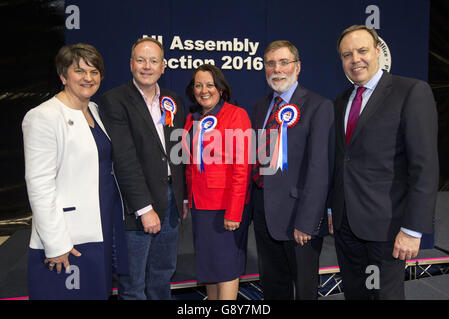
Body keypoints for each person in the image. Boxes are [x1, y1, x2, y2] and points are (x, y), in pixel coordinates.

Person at [330, 25, 439, 300]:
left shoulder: (411, 92)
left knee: (382, 296)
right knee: (357, 294)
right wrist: (333, 209)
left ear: (378, 51)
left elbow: (424, 167)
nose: (355, 59)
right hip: (347, 228)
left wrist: (413, 229)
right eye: (347, 54)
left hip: (386, 230)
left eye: (362, 50)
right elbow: (342, 161)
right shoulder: (341, 101)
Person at [22, 43, 129, 300]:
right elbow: (39, 184)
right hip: (68, 236)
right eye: (79, 71)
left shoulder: (93, 110)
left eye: (94, 72)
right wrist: (56, 243)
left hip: (102, 225)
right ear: (63, 75)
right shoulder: (44, 116)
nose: (88, 78)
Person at [98, 37, 187, 300]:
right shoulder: (114, 101)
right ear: (130, 64)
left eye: (153, 61)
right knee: (133, 284)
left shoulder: (174, 101)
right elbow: (123, 159)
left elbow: (176, 151)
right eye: (141, 60)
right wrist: (144, 208)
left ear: (163, 66)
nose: (146, 66)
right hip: (135, 206)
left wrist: (181, 194)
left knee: (162, 275)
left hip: (171, 201)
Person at [251, 40, 334, 300]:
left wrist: (308, 222)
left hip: (299, 218)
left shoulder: (319, 106)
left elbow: (320, 169)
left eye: (284, 62)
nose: (277, 69)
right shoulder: (260, 107)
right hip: (264, 215)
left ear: (297, 67)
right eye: (271, 63)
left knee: (304, 291)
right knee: (273, 288)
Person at [183, 64, 251, 300]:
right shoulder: (192, 119)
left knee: (226, 268)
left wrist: (234, 211)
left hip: (225, 207)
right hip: (200, 206)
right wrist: (186, 199)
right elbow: (189, 166)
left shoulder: (236, 115)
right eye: (198, 85)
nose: (204, 90)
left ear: (220, 88)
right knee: (209, 269)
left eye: (210, 85)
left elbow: (242, 167)